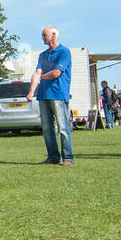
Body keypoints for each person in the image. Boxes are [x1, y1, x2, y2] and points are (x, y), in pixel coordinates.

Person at [25, 26, 74, 165]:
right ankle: (52, 157)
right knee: (47, 129)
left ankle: (68, 158)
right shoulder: (43, 55)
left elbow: (56, 73)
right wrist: (31, 92)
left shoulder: (64, 52)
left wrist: (40, 77)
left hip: (58, 94)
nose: (42, 38)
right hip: (43, 95)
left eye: (44, 35)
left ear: (53, 35)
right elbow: (37, 73)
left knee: (63, 127)